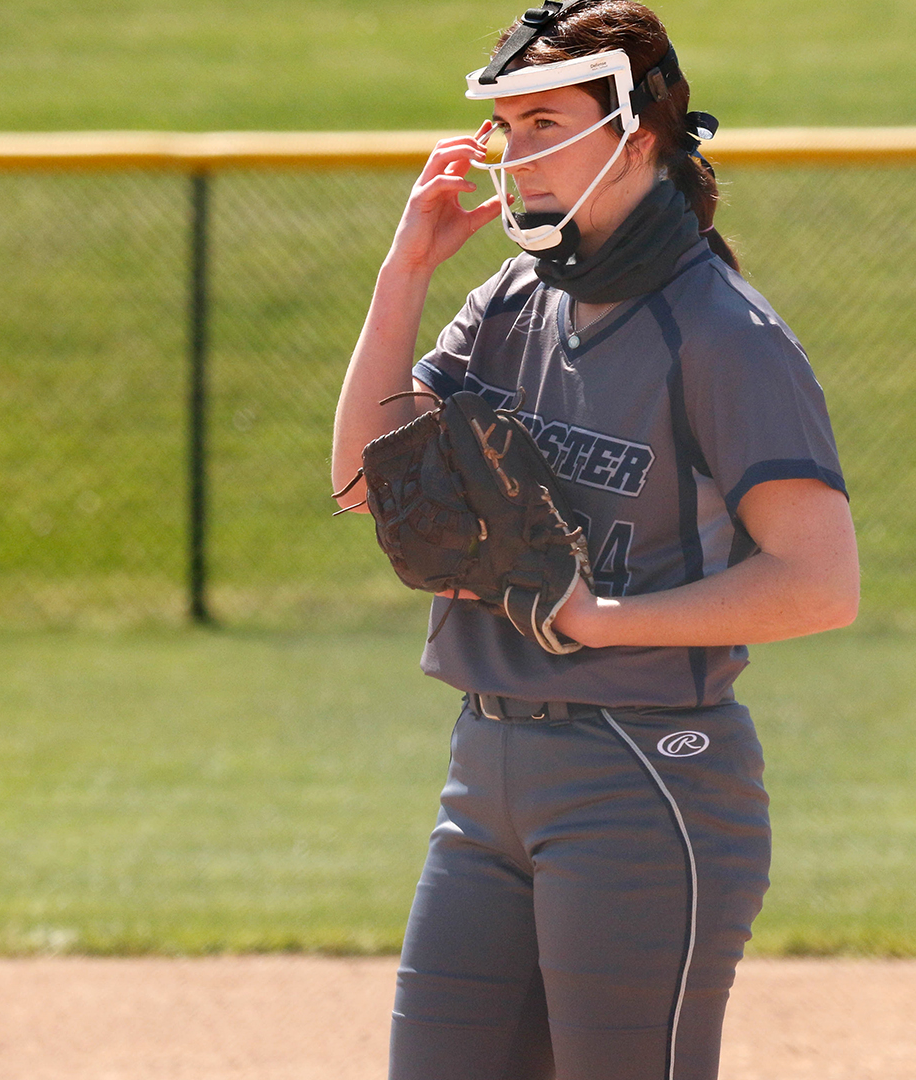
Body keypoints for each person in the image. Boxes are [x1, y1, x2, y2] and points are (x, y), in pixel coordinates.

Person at [329, 2, 859, 1077]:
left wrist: (605, 621)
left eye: (548, 125)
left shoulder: (722, 335)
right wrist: (406, 272)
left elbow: (819, 582)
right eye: (508, 130)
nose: (517, 158)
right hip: (486, 775)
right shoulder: (516, 298)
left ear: (638, 129)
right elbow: (360, 482)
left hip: (644, 777)